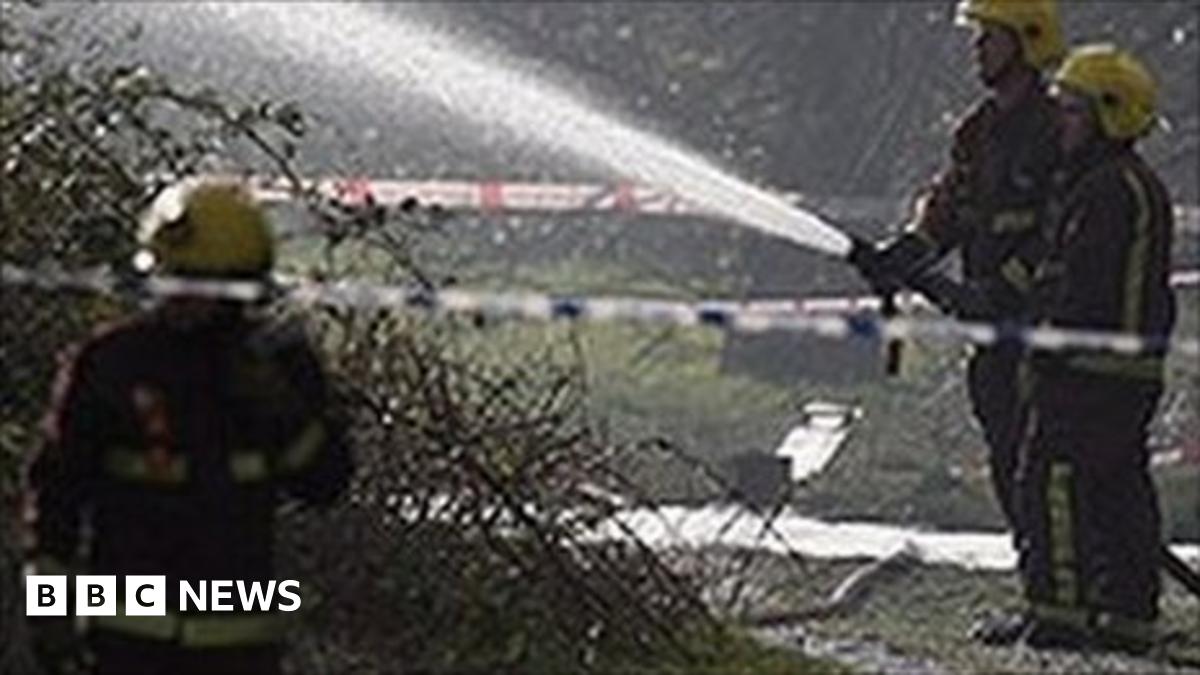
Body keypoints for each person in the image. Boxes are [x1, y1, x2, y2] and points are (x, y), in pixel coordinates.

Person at [25, 179, 352, 674]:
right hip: (124, 646)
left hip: (239, 649)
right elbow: (57, 493)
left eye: (200, 283)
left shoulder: (280, 366)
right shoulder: (114, 362)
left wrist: (279, 409)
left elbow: (326, 483)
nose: (180, 298)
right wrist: (49, 614)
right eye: (171, 278)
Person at [849, 0, 1064, 540]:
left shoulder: (1057, 128)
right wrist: (910, 249)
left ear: (1028, 42)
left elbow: (1061, 233)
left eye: (991, 36)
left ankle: (1077, 601)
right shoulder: (978, 131)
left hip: (1047, 334)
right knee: (1008, 458)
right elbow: (949, 210)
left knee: (1048, 469)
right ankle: (1037, 593)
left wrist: (1000, 289)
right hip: (991, 336)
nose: (977, 48)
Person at [1010, 43, 1175, 651]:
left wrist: (1040, 336)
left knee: (1051, 480)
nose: (1061, 123)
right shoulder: (1126, 185)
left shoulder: (1108, 189)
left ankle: (1058, 613)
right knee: (1119, 488)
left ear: (1112, 115)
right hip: (1122, 372)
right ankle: (1128, 618)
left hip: (1090, 371)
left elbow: (1079, 285)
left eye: (1074, 112)